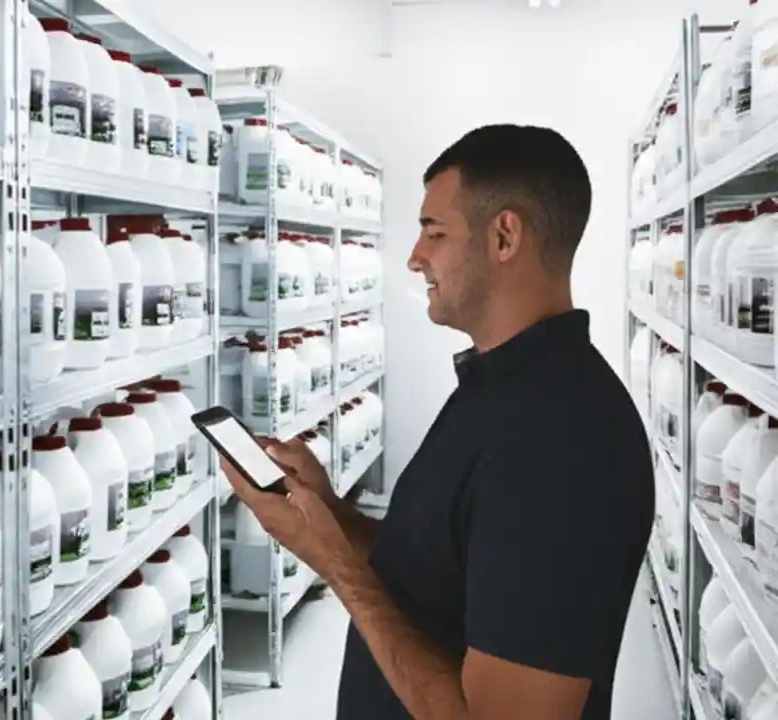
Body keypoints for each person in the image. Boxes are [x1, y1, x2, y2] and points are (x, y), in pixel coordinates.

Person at [222, 124, 654, 719]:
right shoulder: (500, 386)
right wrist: (328, 513)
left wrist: (339, 570)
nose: (415, 256)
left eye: (435, 232)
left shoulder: (565, 443)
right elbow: (437, 571)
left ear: (504, 237)